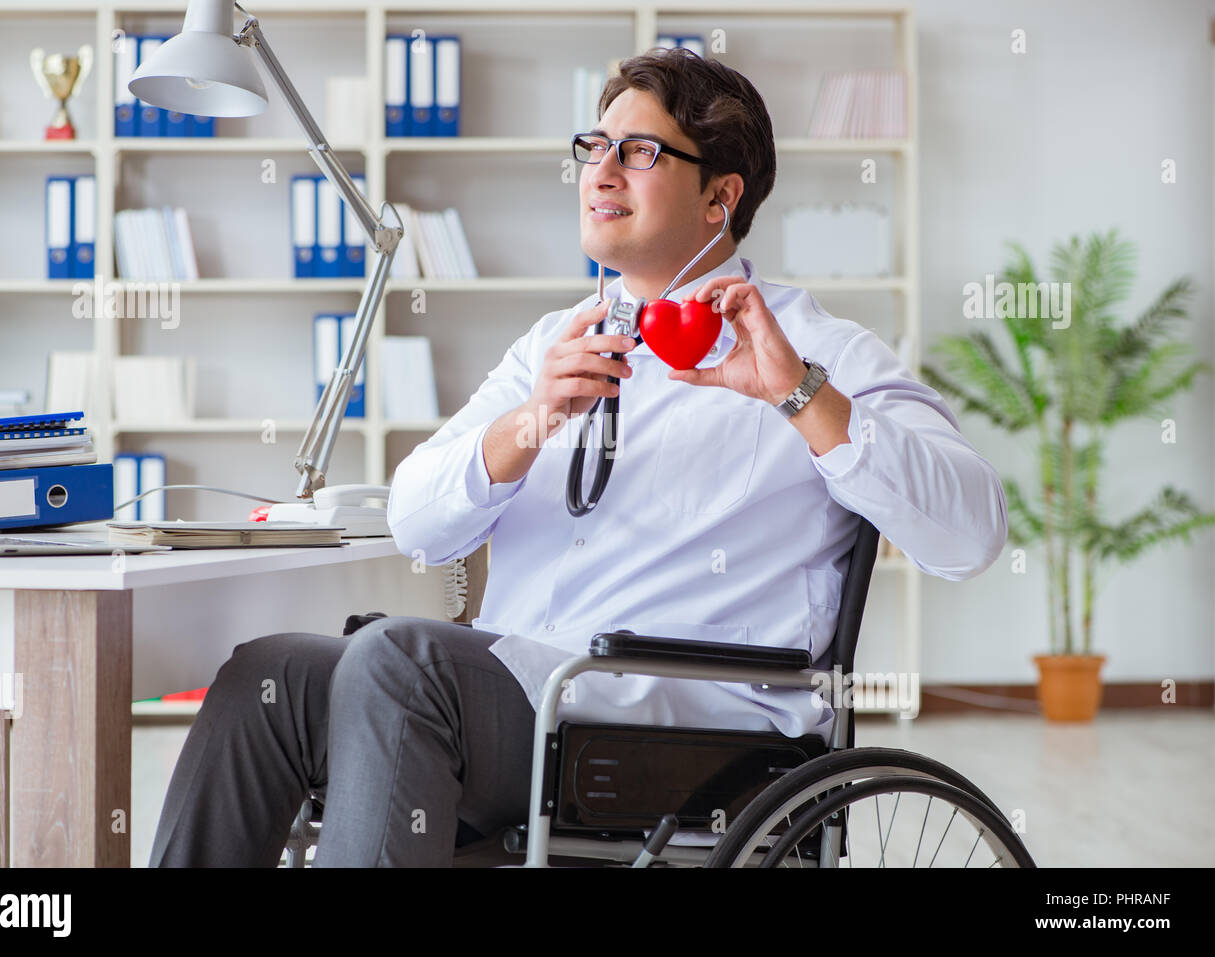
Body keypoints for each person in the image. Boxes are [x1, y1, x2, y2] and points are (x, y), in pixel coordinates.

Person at [149, 47, 1007, 868]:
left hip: (675, 734)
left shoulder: (820, 351)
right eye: (594, 147)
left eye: (638, 152)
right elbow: (417, 523)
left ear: (721, 196)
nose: (600, 171)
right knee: (269, 674)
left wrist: (798, 395)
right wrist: (529, 424)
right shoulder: (554, 346)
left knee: (400, 663)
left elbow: (969, 535)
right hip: (521, 697)